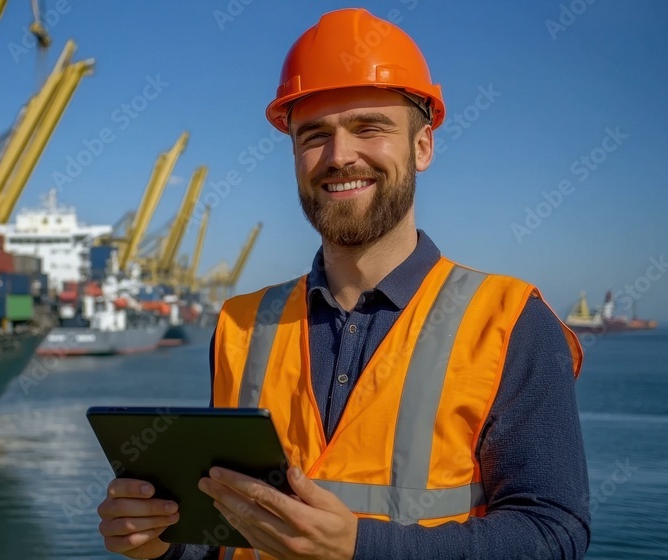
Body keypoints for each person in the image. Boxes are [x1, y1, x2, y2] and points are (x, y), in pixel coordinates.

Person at [96, 8, 590, 560]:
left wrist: (359, 547)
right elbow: (225, 532)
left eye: (369, 127)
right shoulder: (240, 325)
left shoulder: (510, 322)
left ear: (423, 147)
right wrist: (160, 542)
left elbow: (553, 535)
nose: (339, 156)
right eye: (315, 135)